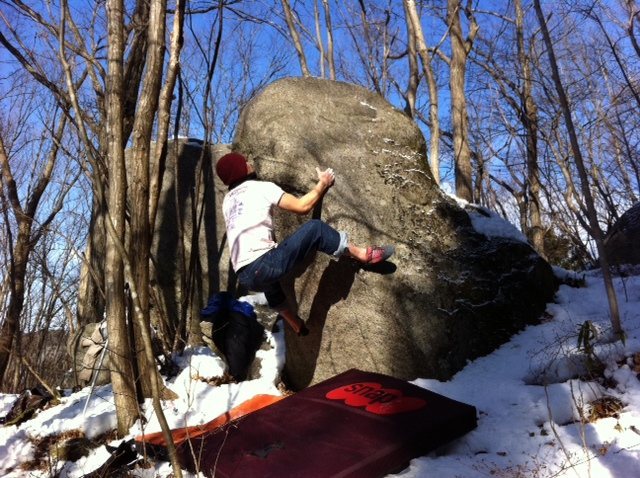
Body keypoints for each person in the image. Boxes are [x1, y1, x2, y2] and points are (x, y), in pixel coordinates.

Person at [215, 152, 394, 336]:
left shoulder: (228, 201)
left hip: (245, 275)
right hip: (263, 263)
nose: (249, 162)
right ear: (239, 169)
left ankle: (295, 324)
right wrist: (322, 184)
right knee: (315, 229)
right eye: (244, 162)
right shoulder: (259, 188)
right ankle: (363, 254)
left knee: (270, 284)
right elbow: (302, 207)